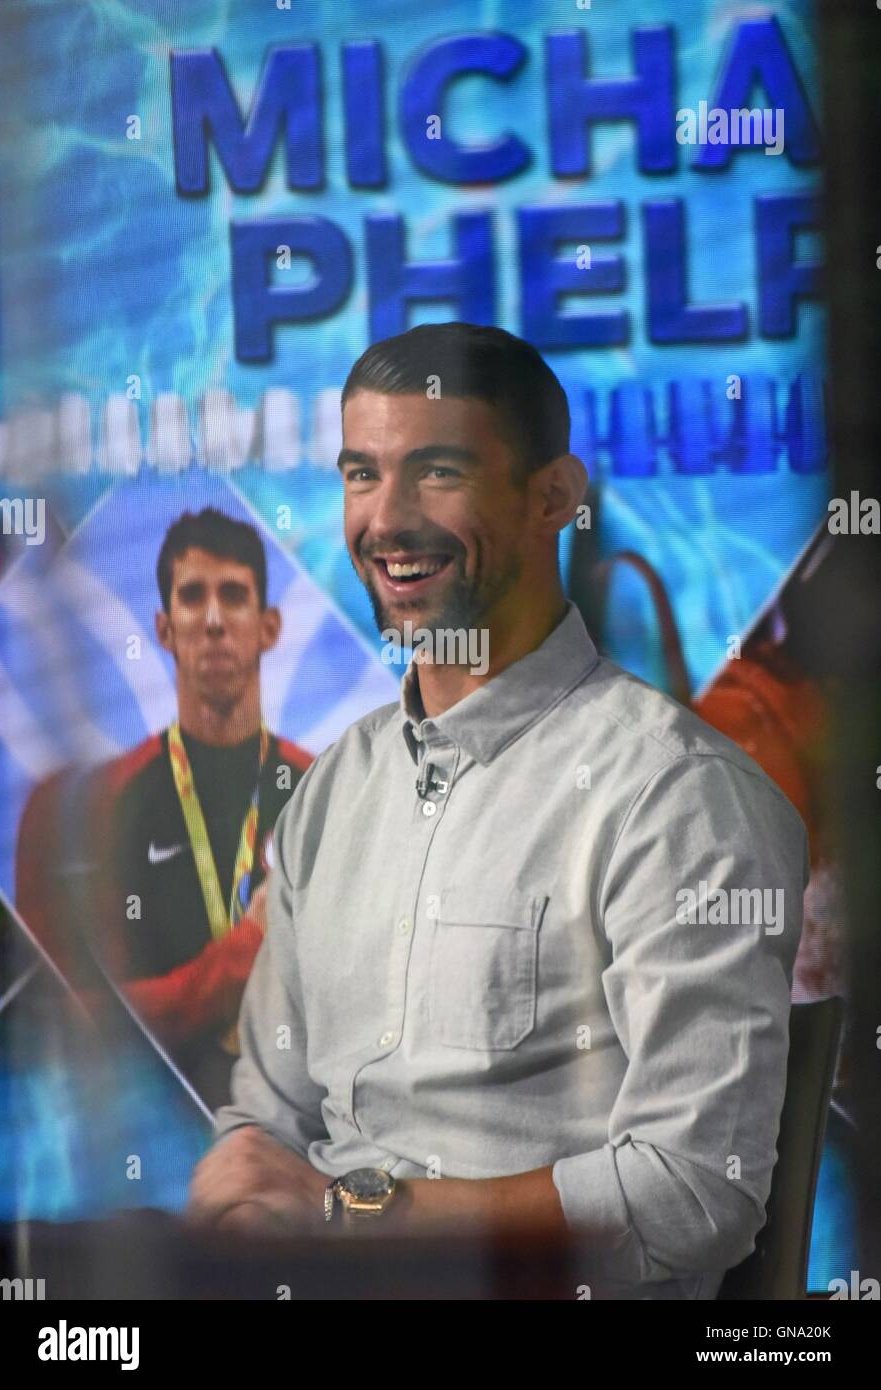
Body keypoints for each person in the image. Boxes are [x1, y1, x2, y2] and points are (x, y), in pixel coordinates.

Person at [187, 324, 808, 1299]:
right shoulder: (330, 792)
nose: (385, 520)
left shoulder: (677, 795)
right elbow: (265, 1112)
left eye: (435, 472)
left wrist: (350, 1214)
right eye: (361, 474)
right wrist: (245, 1201)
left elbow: (692, 1193)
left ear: (553, 496)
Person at [16, 508, 313, 1108]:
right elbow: (68, 1027)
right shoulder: (88, 807)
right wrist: (240, 958)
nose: (211, 621)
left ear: (270, 626)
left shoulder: (325, 790)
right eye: (191, 598)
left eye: (233, 596)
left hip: (298, 1155)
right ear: (163, 627)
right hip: (143, 1160)